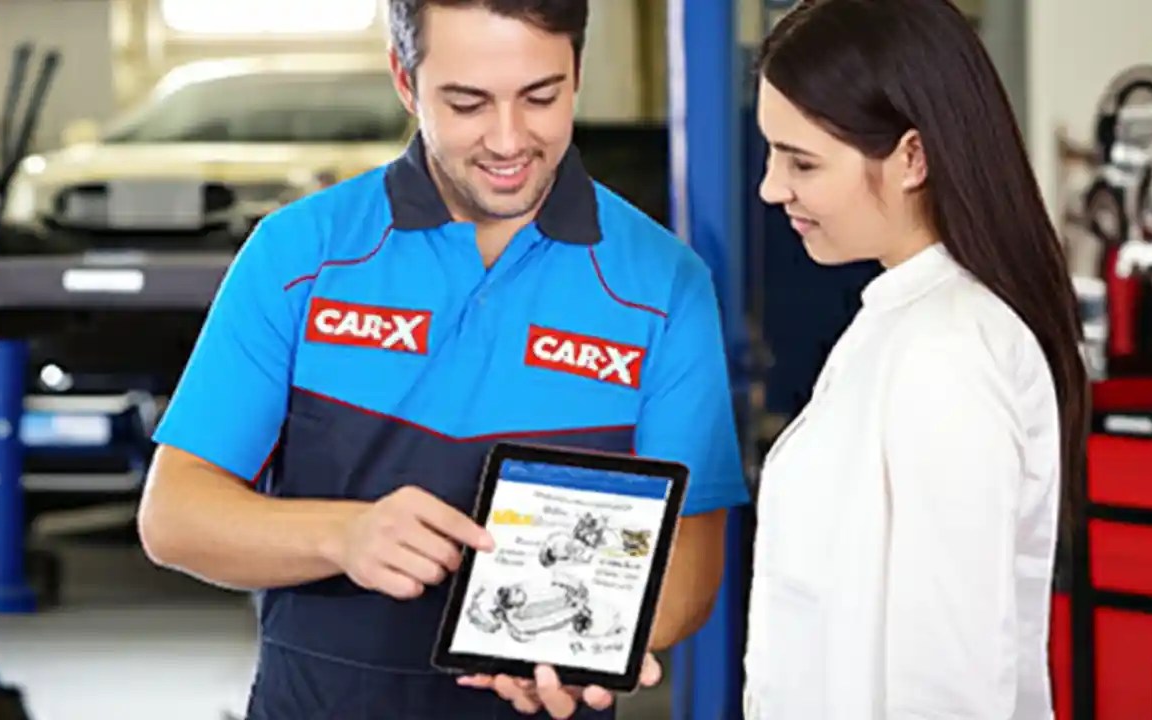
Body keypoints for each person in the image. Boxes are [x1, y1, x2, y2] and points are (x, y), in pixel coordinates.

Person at [135, 1, 750, 718]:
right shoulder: (299, 254)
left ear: (576, 75)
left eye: (541, 97)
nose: (509, 139)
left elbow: (691, 566)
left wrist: (586, 643)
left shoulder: (663, 284)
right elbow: (174, 514)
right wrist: (343, 534)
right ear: (405, 80)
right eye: (467, 103)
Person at [744, 1, 1090, 718]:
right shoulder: (907, 321)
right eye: (772, 154)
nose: (772, 188)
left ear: (911, 156)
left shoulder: (951, 350)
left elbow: (949, 678)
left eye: (800, 161)